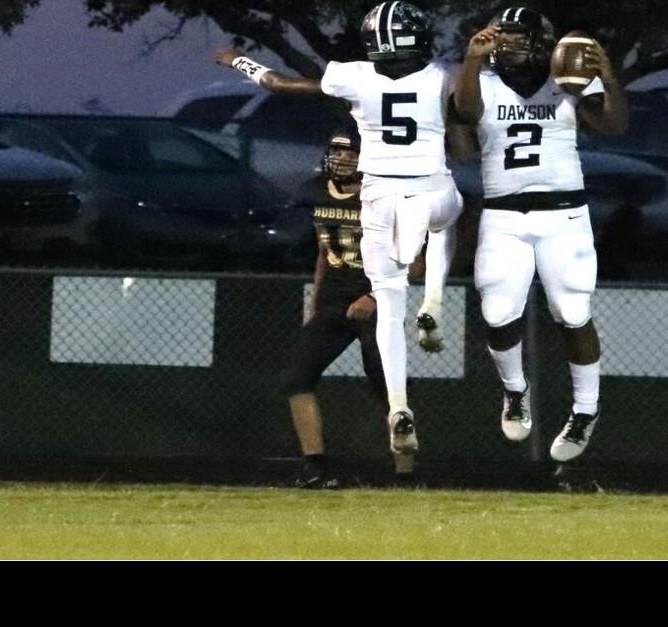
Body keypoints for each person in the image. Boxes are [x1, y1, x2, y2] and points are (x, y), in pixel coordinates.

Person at [215, 1, 464, 456]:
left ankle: (401, 431)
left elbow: (278, 83)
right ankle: (433, 301)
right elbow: (470, 109)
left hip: (379, 198)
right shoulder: (441, 76)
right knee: (446, 220)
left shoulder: (355, 77)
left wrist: (238, 61)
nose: (342, 157)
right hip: (421, 190)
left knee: (387, 319)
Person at [452, 7, 628, 461]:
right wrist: (472, 60)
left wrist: (605, 76)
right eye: (501, 36)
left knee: (572, 312)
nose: (506, 44)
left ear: (541, 42)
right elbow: (466, 110)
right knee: (496, 312)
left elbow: (613, 125)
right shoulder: (481, 81)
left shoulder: (567, 80)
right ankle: (515, 391)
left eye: (516, 37)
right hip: (503, 216)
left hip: (563, 214)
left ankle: (585, 410)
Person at [279, 132, 415, 488]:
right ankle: (315, 467)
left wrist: (373, 296)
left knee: (390, 391)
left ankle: (406, 476)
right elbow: (325, 251)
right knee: (296, 378)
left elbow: (414, 258)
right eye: (337, 151)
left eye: (351, 152)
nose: (341, 159)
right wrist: (316, 300)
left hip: (377, 303)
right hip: (334, 301)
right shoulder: (315, 189)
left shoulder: (384, 193)